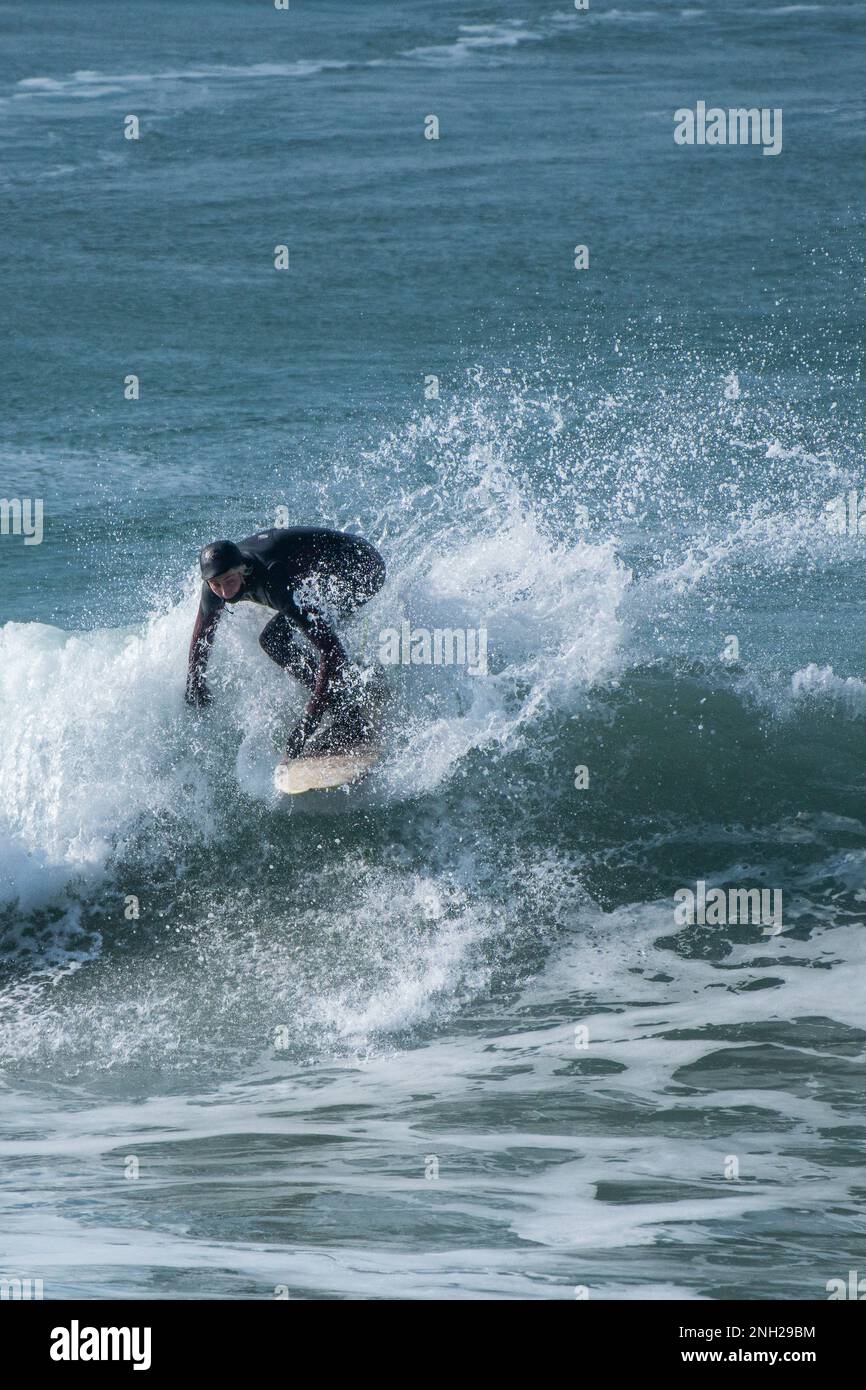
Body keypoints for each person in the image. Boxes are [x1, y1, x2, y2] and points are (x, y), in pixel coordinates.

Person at [186, 526, 386, 759]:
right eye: (216, 584)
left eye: (229, 581)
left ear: (242, 570)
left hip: (361, 568)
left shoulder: (273, 579)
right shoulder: (214, 583)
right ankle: (355, 688)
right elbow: (202, 633)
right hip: (326, 573)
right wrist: (194, 682)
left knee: (277, 639)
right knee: (275, 639)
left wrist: (309, 722)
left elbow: (330, 650)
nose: (224, 592)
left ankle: (350, 720)